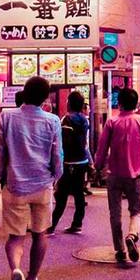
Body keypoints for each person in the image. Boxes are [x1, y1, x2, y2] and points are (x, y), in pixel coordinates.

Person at [0, 76, 62, 280]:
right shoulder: (53, 121)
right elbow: (57, 156)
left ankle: (16, 270)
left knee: (15, 238)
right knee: (40, 233)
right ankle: (32, 279)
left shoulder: (6, 117)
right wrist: (56, 178)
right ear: (45, 98)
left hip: (15, 184)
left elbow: (1, 152)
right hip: (42, 184)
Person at [94, 88, 140, 266]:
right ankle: (132, 235)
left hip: (114, 174)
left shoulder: (111, 122)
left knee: (115, 213)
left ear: (119, 103)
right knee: (136, 211)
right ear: (136, 103)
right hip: (135, 174)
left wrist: (97, 166)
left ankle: (120, 250)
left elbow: (101, 147)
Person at [48, 90, 91, 234]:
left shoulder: (67, 120)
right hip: (82, 161)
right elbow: (84, 143)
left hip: (69, 162)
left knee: (62, 195)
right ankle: (77, 223)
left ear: (70, 103)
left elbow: (63, 143)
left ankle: (51, 225)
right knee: (79, 194)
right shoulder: (84, 120)